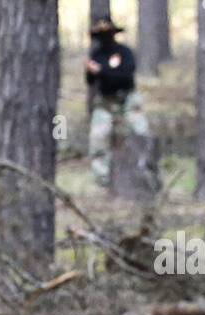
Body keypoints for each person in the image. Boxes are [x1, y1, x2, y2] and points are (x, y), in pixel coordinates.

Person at [85, 16, 150, 188]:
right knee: (98, 138)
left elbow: (125, 75)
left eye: (107, 33)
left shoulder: (124, 52)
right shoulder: (96, 55)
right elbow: (91, 81)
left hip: (128, 99)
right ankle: (103, 181)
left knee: (140, 132)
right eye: (101, 34)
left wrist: (101, 71)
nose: (105, 37)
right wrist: (92, 71)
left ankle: (145, 173)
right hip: (105, 102)